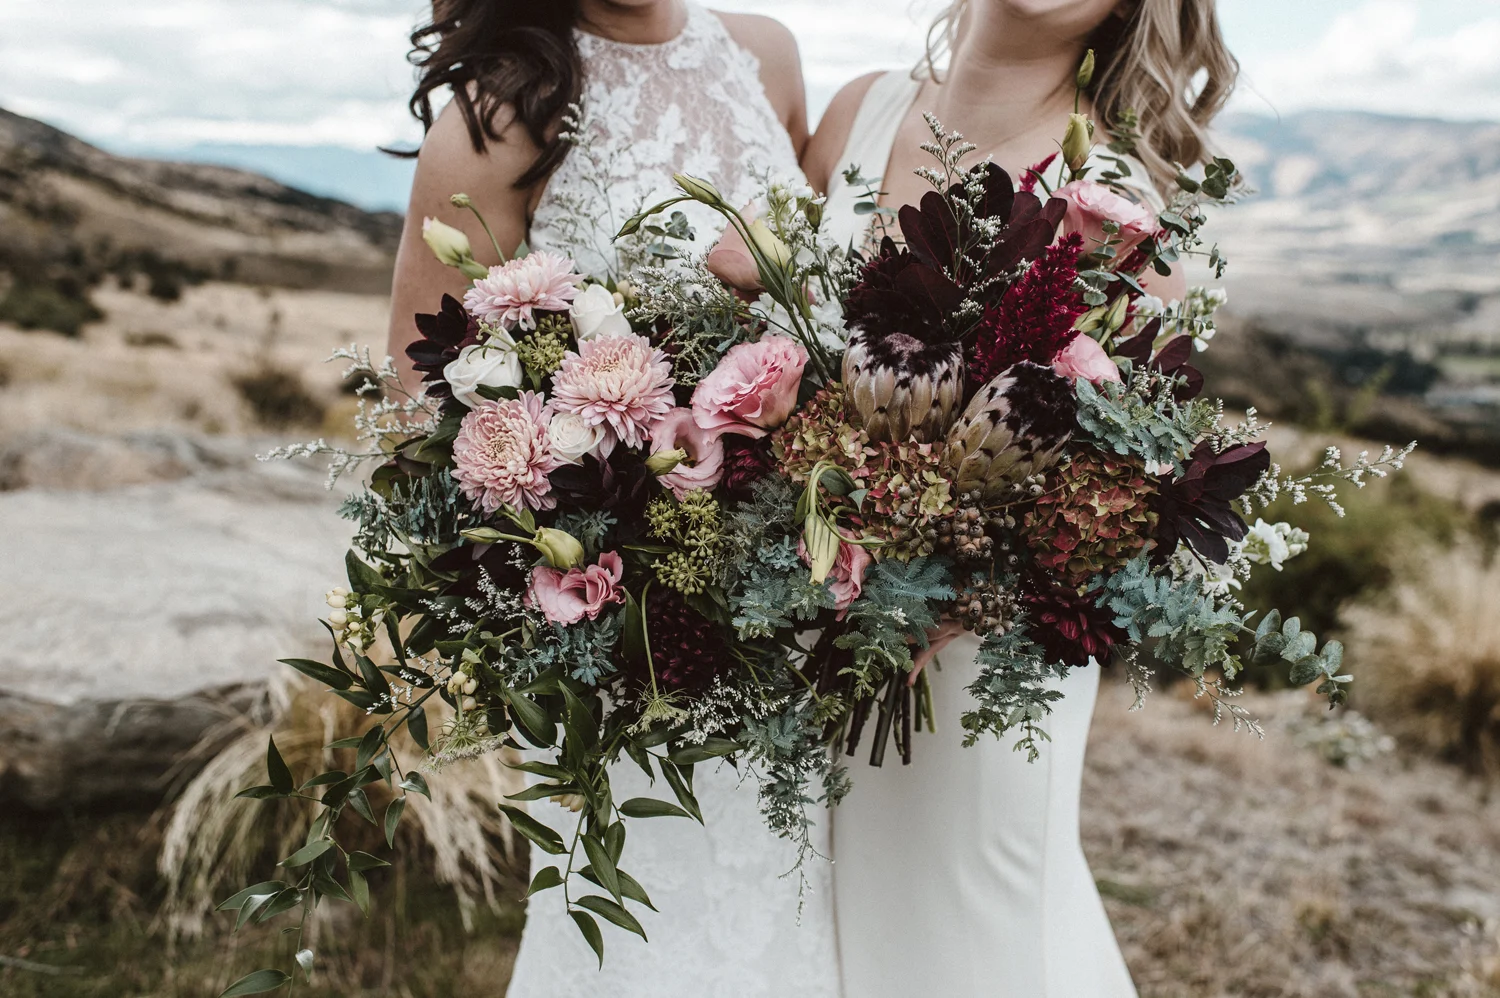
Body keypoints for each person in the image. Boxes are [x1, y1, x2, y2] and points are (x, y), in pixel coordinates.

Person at [385, 3, 838, 996]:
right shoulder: (491, 120)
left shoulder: (766, 56)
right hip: (627, 638)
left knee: (798, 917)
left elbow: (803, 312)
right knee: (653, 940)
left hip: (794, 619)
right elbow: (417, 415)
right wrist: (598, 545)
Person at [803, 1, 1237, 994]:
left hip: (971, 663)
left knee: (968, 932)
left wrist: (945, 587)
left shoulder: (1120, 204)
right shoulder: (857, 114)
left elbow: (1123, 495)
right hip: (810, 618)